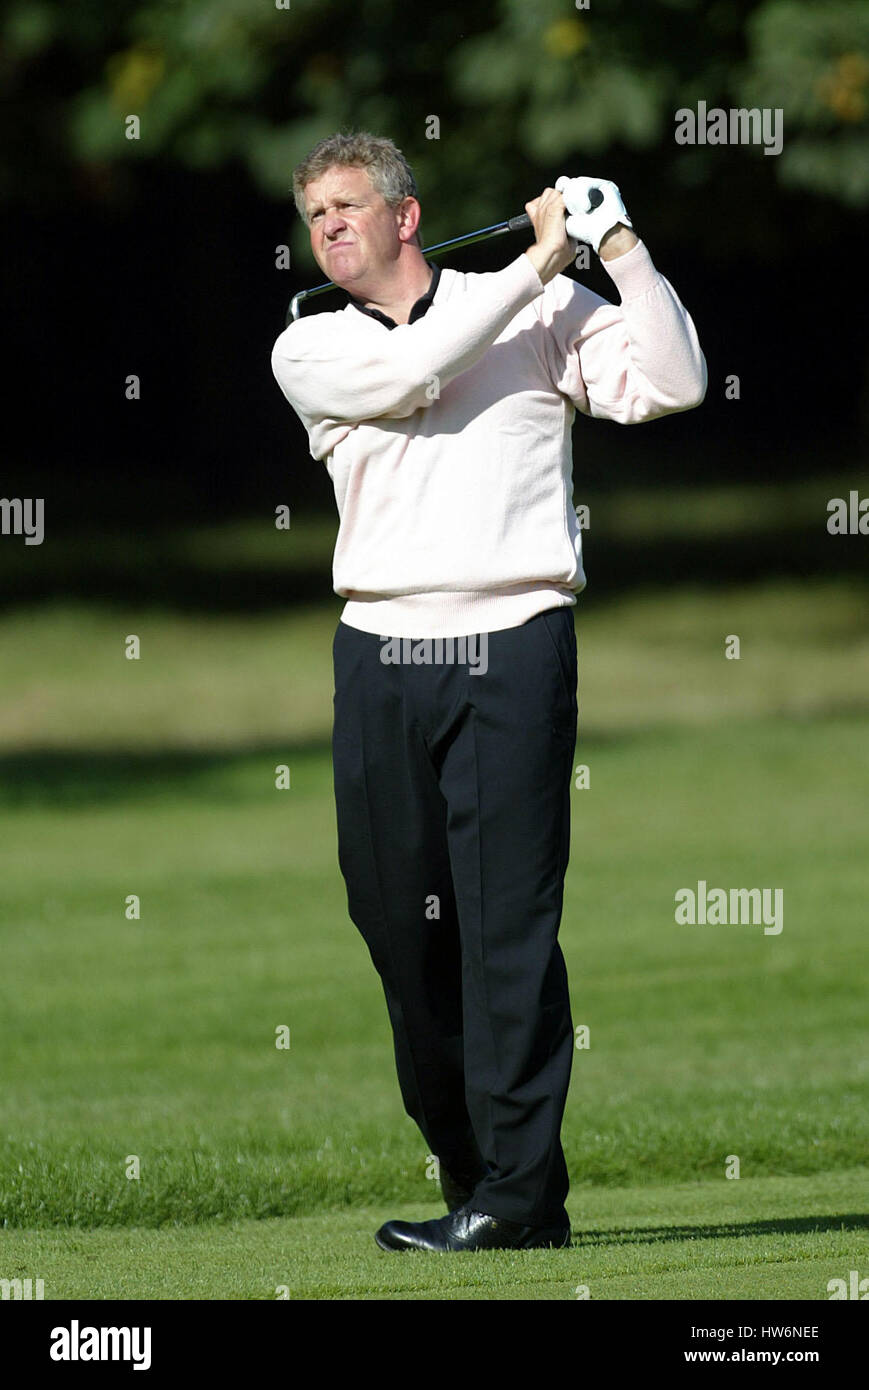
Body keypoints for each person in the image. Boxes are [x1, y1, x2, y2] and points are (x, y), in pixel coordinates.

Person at [271, 131, 707, 1253]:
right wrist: (539, 261)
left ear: (404, 215)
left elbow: (672, 380)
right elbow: (416, 371)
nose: (326, 228)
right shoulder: (310, 345)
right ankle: (471, 1170)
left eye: (346, 205)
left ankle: (516, 1197)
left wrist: (614, 242)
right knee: (398, 931)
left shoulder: (537, 308)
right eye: (312, 212)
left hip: (513, 643)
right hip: (381, 655)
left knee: (506, 927)